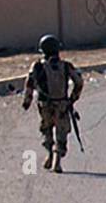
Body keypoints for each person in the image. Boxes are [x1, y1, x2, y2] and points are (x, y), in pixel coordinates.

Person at [21, 35, 83, 173]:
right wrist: (72, 98)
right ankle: (57, 160)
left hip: (45, 105)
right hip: (62, 105)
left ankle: (50, 153)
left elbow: (29, 84)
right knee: (62, 132)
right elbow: (79, 82)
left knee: (46, 129)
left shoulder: (37, 66)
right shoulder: (66, 66)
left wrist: (27, 101)